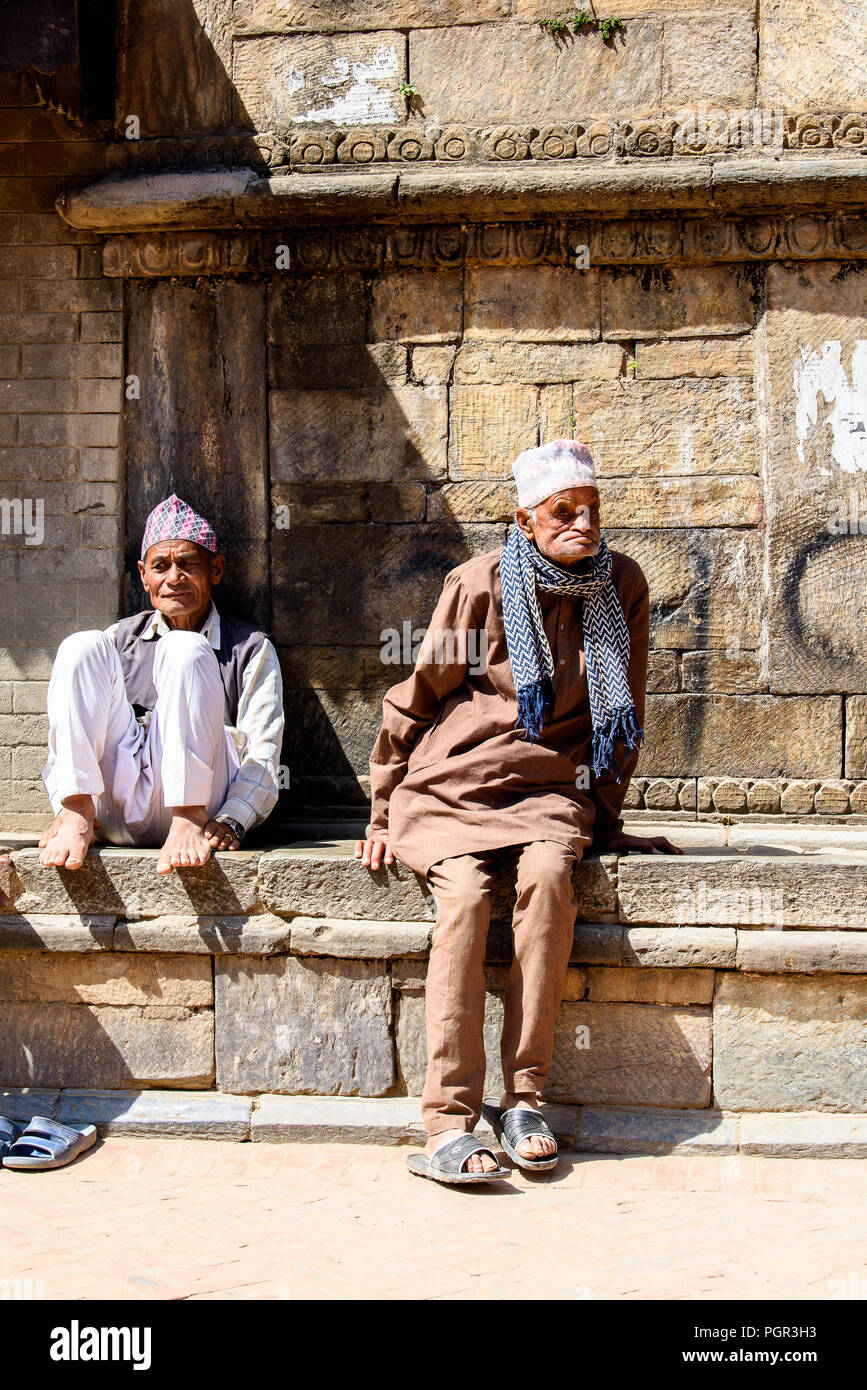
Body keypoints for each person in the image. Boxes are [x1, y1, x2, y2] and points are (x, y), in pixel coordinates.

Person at [356, 440, 682, 1185]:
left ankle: (523, 1099)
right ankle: (447, 1122)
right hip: (452, 787)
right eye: (563, 513)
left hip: (548, 794)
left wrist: (604, 817)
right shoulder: (479, 583)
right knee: (466, 902)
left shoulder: (619, 584)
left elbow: (620, 711)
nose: (582, 526)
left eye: (590, 511)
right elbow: (418, 694)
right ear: (525, 520)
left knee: (547, 887)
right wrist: (381, 811)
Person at [38, 494, 284, 875]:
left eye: (188, 564)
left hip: (202, 814)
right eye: (160, 566)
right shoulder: (117, 638)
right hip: (110, 811)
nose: (173, 578)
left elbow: (264, 753)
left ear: (216, 570)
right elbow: (69, 732)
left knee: (185, 648)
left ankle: (184, 816)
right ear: (143, 574)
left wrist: (233, 819)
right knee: (80, 645)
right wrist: (63, 803)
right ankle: (77, 813)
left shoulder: (251, 649)